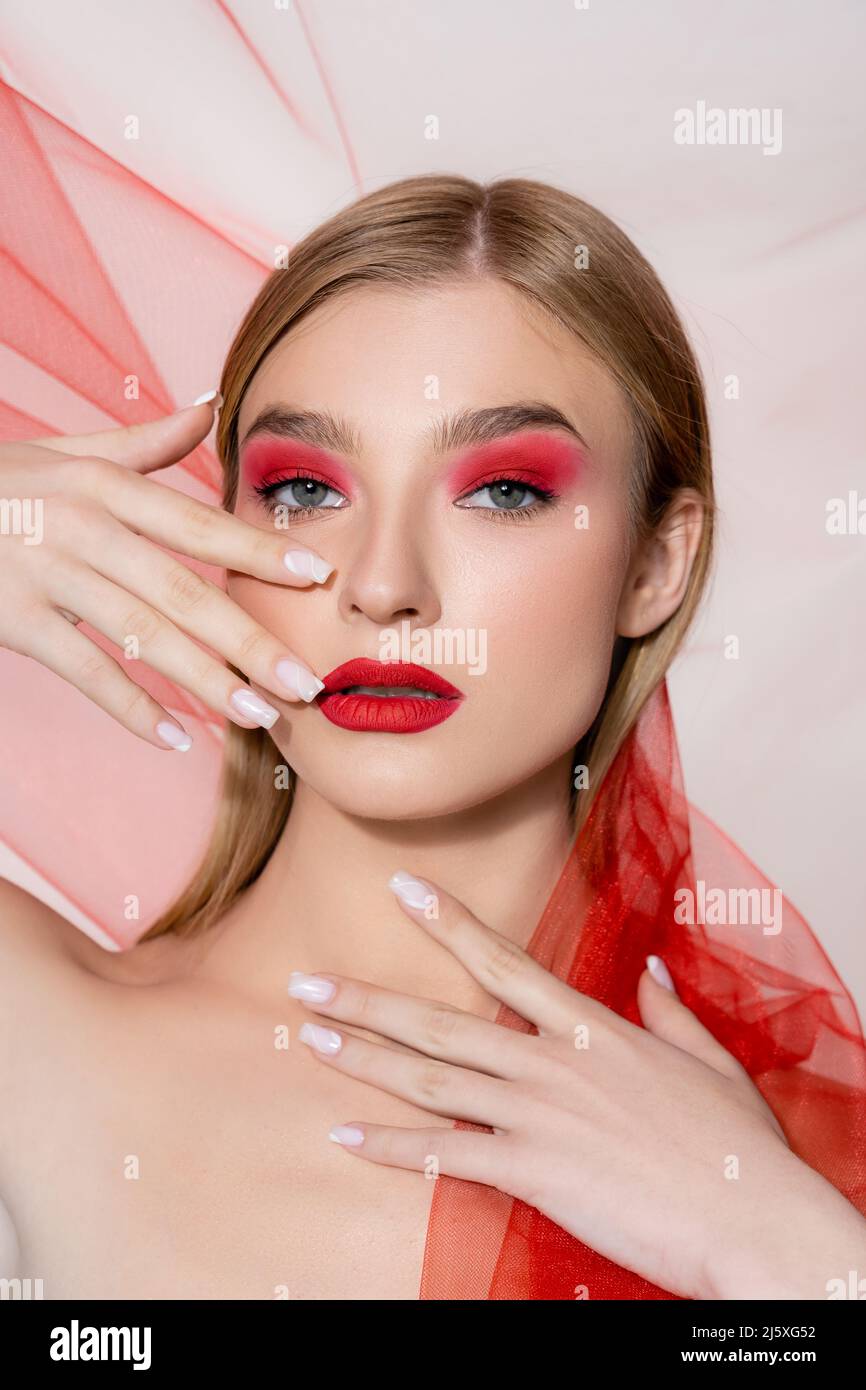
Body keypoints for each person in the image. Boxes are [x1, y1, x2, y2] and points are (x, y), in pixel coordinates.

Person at [1, 176, 864, 1301]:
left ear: (654, 562)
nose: (384, 586)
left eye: (502, 492)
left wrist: (789, 1259)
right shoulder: (35, 1022)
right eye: (305, 488)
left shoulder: (777, 1142)